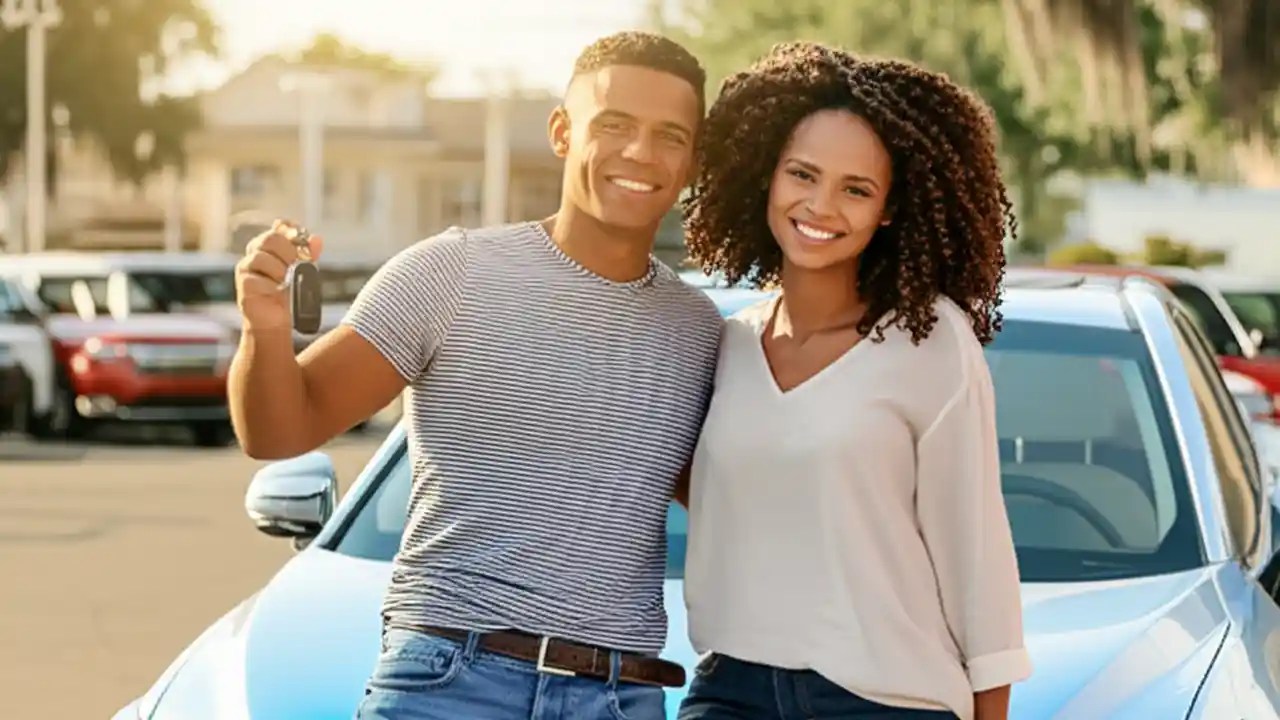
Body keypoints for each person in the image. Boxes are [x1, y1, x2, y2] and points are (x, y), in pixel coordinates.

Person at [228, 31, 723, 720]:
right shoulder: (452, 273)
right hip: (449, 682)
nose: (641, 152)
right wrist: (265, 329)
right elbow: (280, 431)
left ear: (694, 158)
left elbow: (741, 504)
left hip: (622, 696)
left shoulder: (700, 331)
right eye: (614, 125)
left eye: (670, 135)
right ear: (561, 131)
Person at [674, 43, 1032, 720]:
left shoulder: (931, 343)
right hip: (732, 690)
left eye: (856, 189)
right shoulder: (730, 345)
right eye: (801, 174)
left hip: (886, 700)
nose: (820, 205)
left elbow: (977, 557)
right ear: (766, 177)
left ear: (891, 208)